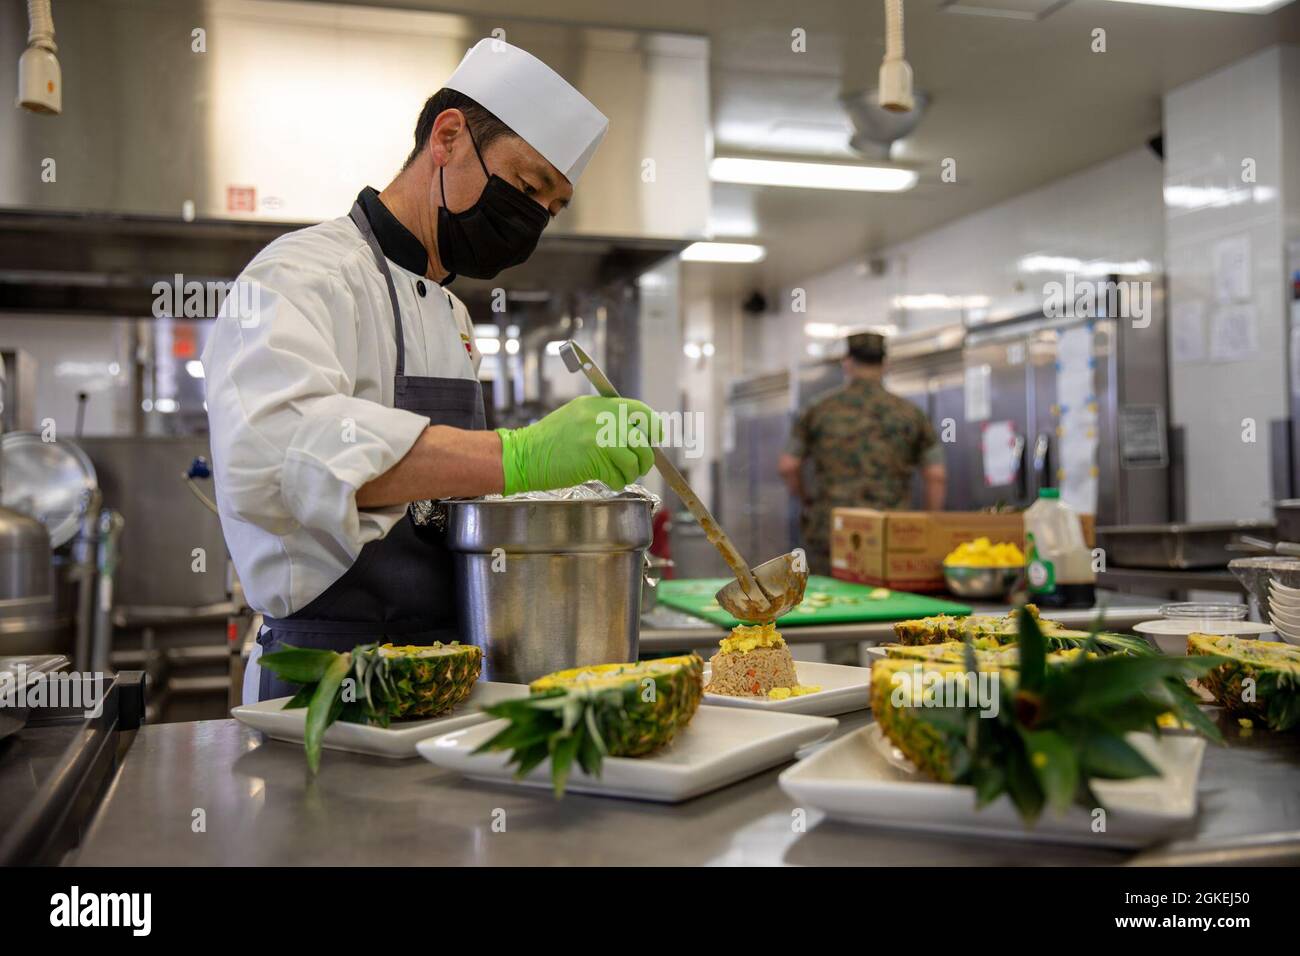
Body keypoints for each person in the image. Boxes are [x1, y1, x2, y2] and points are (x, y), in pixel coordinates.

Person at [202, 39, 657, 704]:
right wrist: (523, 455)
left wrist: (573, 490)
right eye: (528, 187)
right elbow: (273, 458)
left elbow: (447, 500)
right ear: (448, 137)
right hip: (329, 683)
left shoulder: (454, 316)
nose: (531, 221)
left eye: (551, 209)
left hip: (450, 670)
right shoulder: (300, 276)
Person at [778, 331, 947, 579]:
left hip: (833, 530)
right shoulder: (911, 413)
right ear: (885, 364)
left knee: (831, 605)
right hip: (892, 533)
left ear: (847, 363)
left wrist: (807, 501)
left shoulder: (818, 409)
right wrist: (927, 526)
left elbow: (788, 466)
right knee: (892, 606)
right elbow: (937, 476)